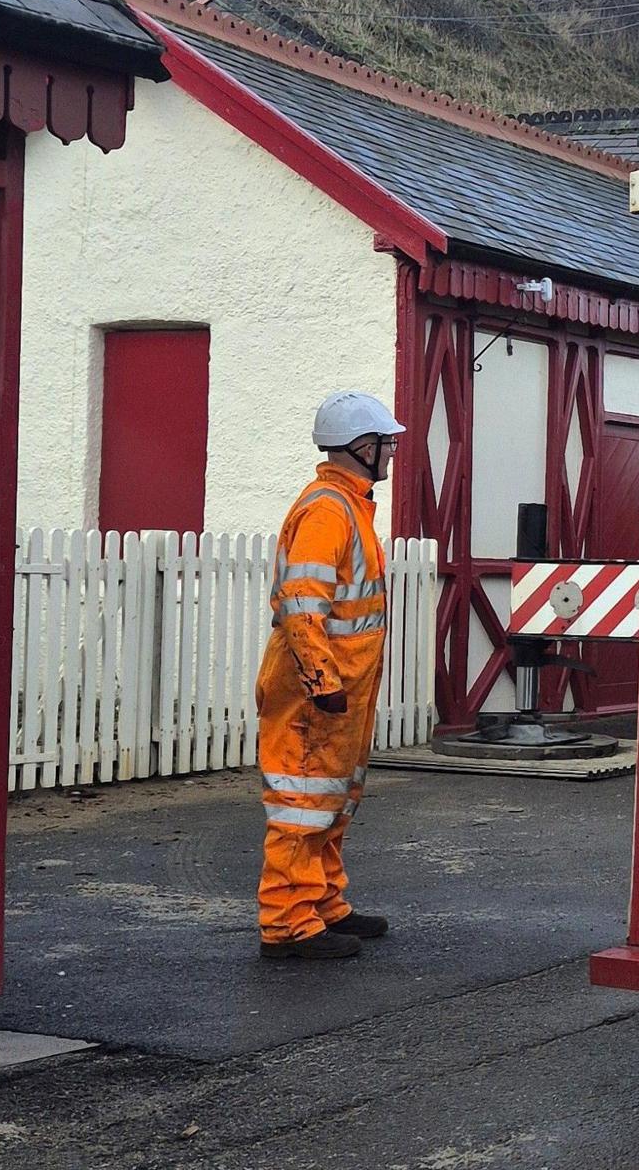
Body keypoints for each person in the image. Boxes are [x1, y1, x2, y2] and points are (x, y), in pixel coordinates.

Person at [256, 391, 402, 960]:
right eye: (386, 443)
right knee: (303, 802)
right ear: (363, 447)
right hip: (317, 688)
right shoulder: (328, 511)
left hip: (342, 684)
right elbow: (301, 604)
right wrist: (323, 682)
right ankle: (287, 923)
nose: (391, 452)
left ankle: (321, 902)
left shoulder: (348, 506)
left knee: (334, 799)